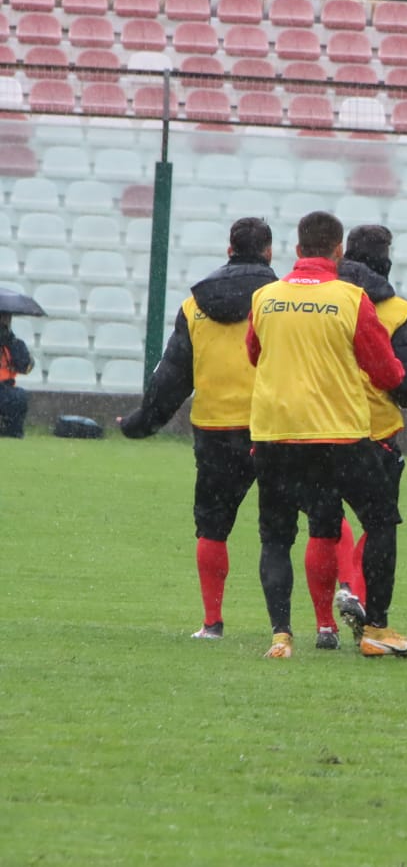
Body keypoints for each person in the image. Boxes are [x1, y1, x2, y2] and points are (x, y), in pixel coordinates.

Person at [246, 211, 407, 661]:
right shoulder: (350, 298)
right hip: (339, 434)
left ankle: (282, 636)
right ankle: (376, 628)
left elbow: (253, 353)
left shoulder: (265, 297)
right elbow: (383, 369)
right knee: (381, 522)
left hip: (275, 432)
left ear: (297, 250)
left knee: (279, 536)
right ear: (338, 251)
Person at [119, 218, 276, 639]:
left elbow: (172, 376)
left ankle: (212, 622)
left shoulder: (195, 304)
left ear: (229, 250)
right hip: (274, 424)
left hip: (215, 428)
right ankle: (321, 623)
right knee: (311, 519)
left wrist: (141, 423)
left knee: (212, 525)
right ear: (269, 253)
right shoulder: (278, 301)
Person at [296, 225, 407, 650]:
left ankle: (324, 627)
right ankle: (367, 609)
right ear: (386, 259)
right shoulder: (398, 311)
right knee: (380, 521)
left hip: (316, 427)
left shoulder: (318, 300)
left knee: (322, 526)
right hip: (375, 433)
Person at [0, 312, 35, 438]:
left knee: (19, 396)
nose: (4, 321)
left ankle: (12, 431)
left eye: (6, 318)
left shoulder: (14, 343)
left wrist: (12, 345)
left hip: (6, 387)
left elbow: (25, 367)